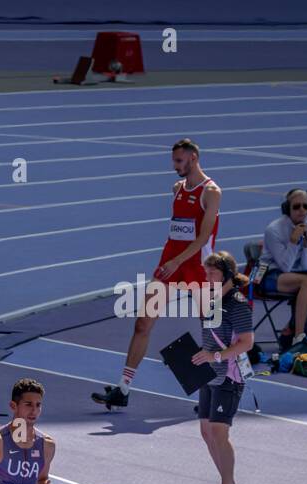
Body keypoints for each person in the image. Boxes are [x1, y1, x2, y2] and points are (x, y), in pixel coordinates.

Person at [94, 139, 221, 409]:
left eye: (179, 161)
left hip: (198, 265)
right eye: (173, 161)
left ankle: (215, 392)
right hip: (170, 263)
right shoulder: (176, 188)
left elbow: (203, 237)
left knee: (210, 328)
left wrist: (178, 261)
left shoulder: (211, 191)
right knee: (142, 323)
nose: (174, 166)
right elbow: (179, 230)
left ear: (194, 158)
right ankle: (124, 388)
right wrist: (172, 262)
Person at [193, 251, 254, 484]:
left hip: (228, 375)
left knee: (219, 431)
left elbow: (246, 342)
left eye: (213, 273)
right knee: (206, 431)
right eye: (206, 273)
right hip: (210, 373)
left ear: (227, 274)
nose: (207, 277)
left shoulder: (237, 303)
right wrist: (194, 357)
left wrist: (215, 355)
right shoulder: (214, 300)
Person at [259, 188, 307, 346]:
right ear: (287, 208)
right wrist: (293, 242)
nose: (302, 210)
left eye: (306, 206)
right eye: (297, 206)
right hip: (268, 275)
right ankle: (299, 336)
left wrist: (305, 246)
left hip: (296, 275)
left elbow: (306, 266)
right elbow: (284, 266)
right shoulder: (274, 230)